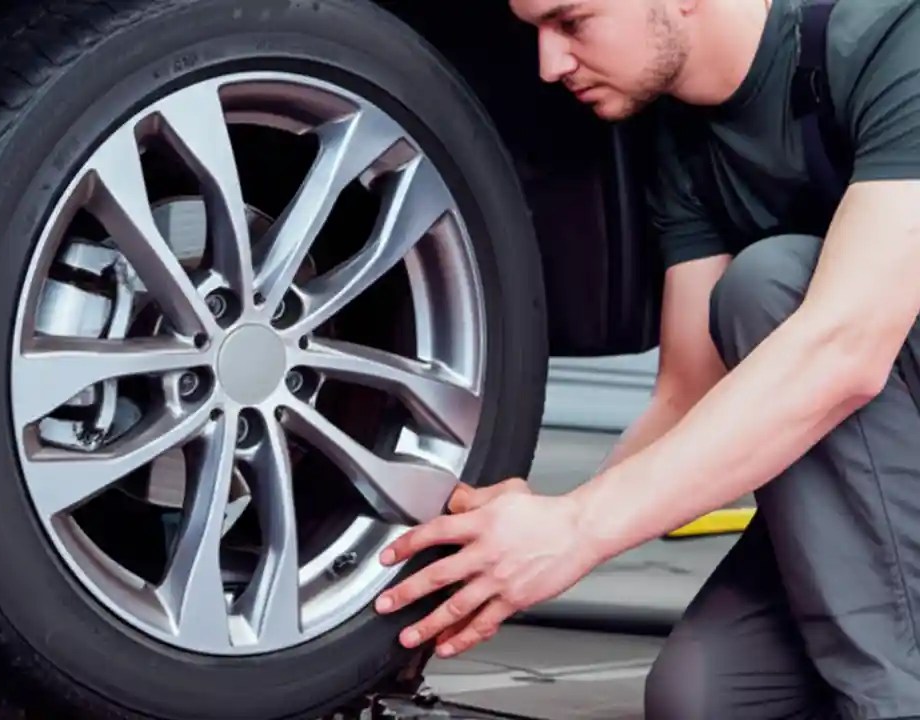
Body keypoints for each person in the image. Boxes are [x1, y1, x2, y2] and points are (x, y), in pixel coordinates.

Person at [371, 0, 920, 717]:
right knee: (701, 699)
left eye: (571, 22)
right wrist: (557, 518)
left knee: (771, 285)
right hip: (878, 473)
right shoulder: (683, 139)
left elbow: (845, 350)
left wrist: (580, 532)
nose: (548, 64)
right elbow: (685, 396)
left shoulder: (887, 38)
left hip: (887, 426)